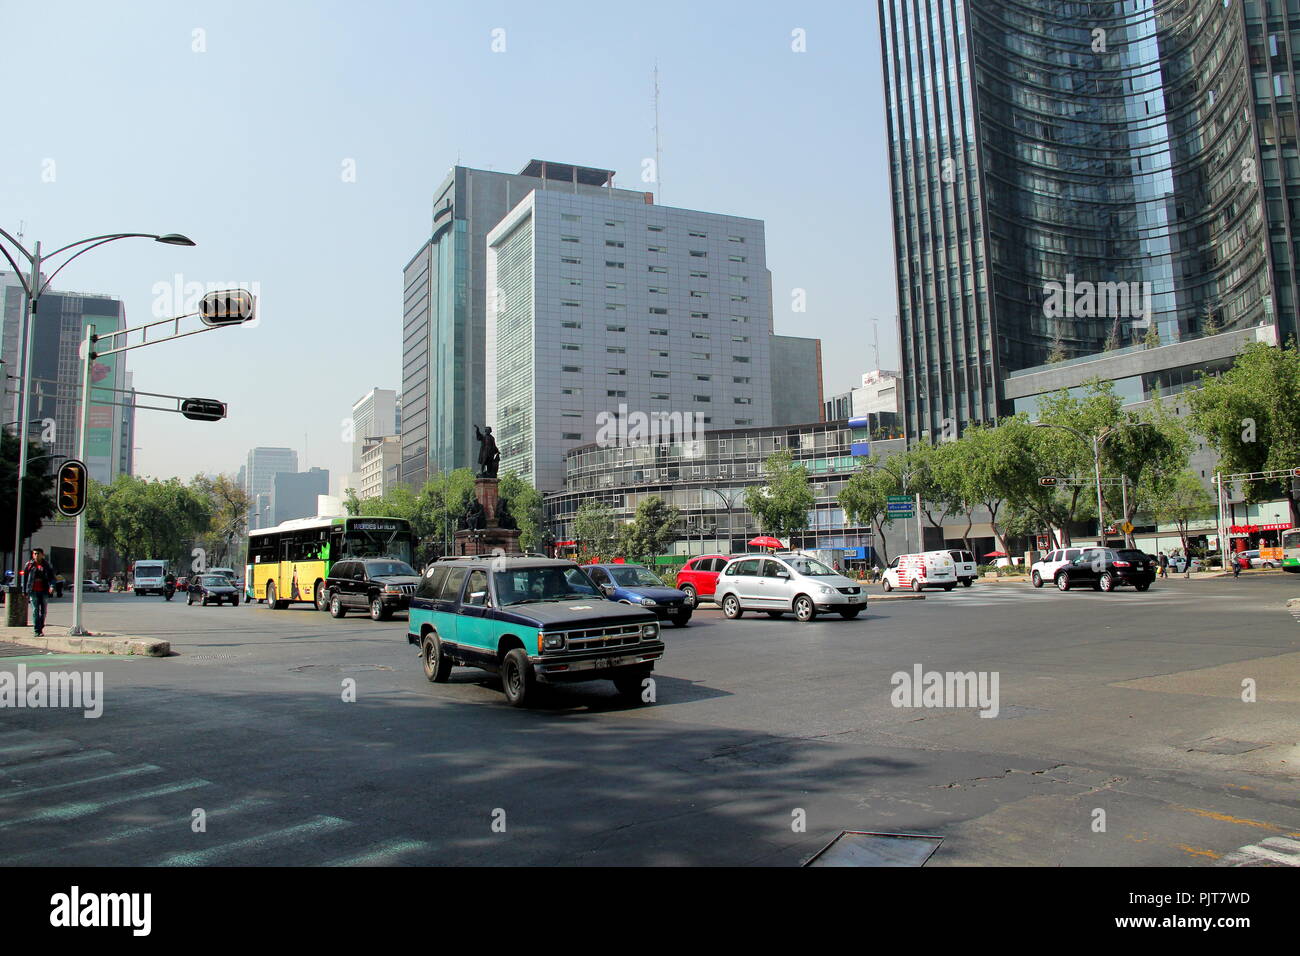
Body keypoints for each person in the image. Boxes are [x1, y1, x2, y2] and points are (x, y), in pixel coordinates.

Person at [22, 548, 54, 637]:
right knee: (35, 610)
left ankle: (40, 627)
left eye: (38, 553)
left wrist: (52, 586)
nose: (36, 555)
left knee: (43, 612)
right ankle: (37, 630)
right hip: (33, 590)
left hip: (44, 591)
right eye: (34, 554)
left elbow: (52, 577)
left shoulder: (47, 565)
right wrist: (24, 591)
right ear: (33, 555)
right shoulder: (29, 565)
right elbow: (25, 579)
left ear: (42, 555)